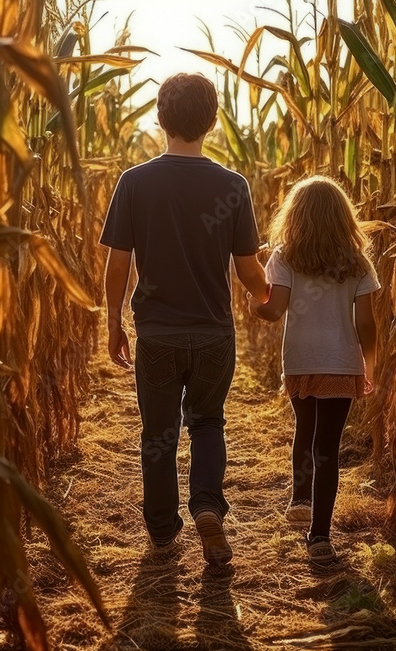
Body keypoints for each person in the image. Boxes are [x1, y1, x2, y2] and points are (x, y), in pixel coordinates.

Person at [99, 73, 271, 566]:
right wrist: (267, 298)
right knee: (209, 423)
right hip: (214, 334)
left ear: (160, 117)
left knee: (158, 433)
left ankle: (161, 529)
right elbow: (246, 267)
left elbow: (118, 262)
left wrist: (115, 321)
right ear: (213, 121)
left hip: (157, 334)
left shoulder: (135, 182)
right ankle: (208, 508)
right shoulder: (232, 185)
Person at [248, 176, 379, 566]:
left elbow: (273, 310)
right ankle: (320, 536)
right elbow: (367, 324)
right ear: (344, 217)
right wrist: (369, 366)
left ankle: (299, 499)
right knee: (329, 449)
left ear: (296, 216)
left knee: (304, 428)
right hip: (341, 363)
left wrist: (254, 304)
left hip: (302, 361)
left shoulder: (285, 257)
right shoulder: (358, 263)